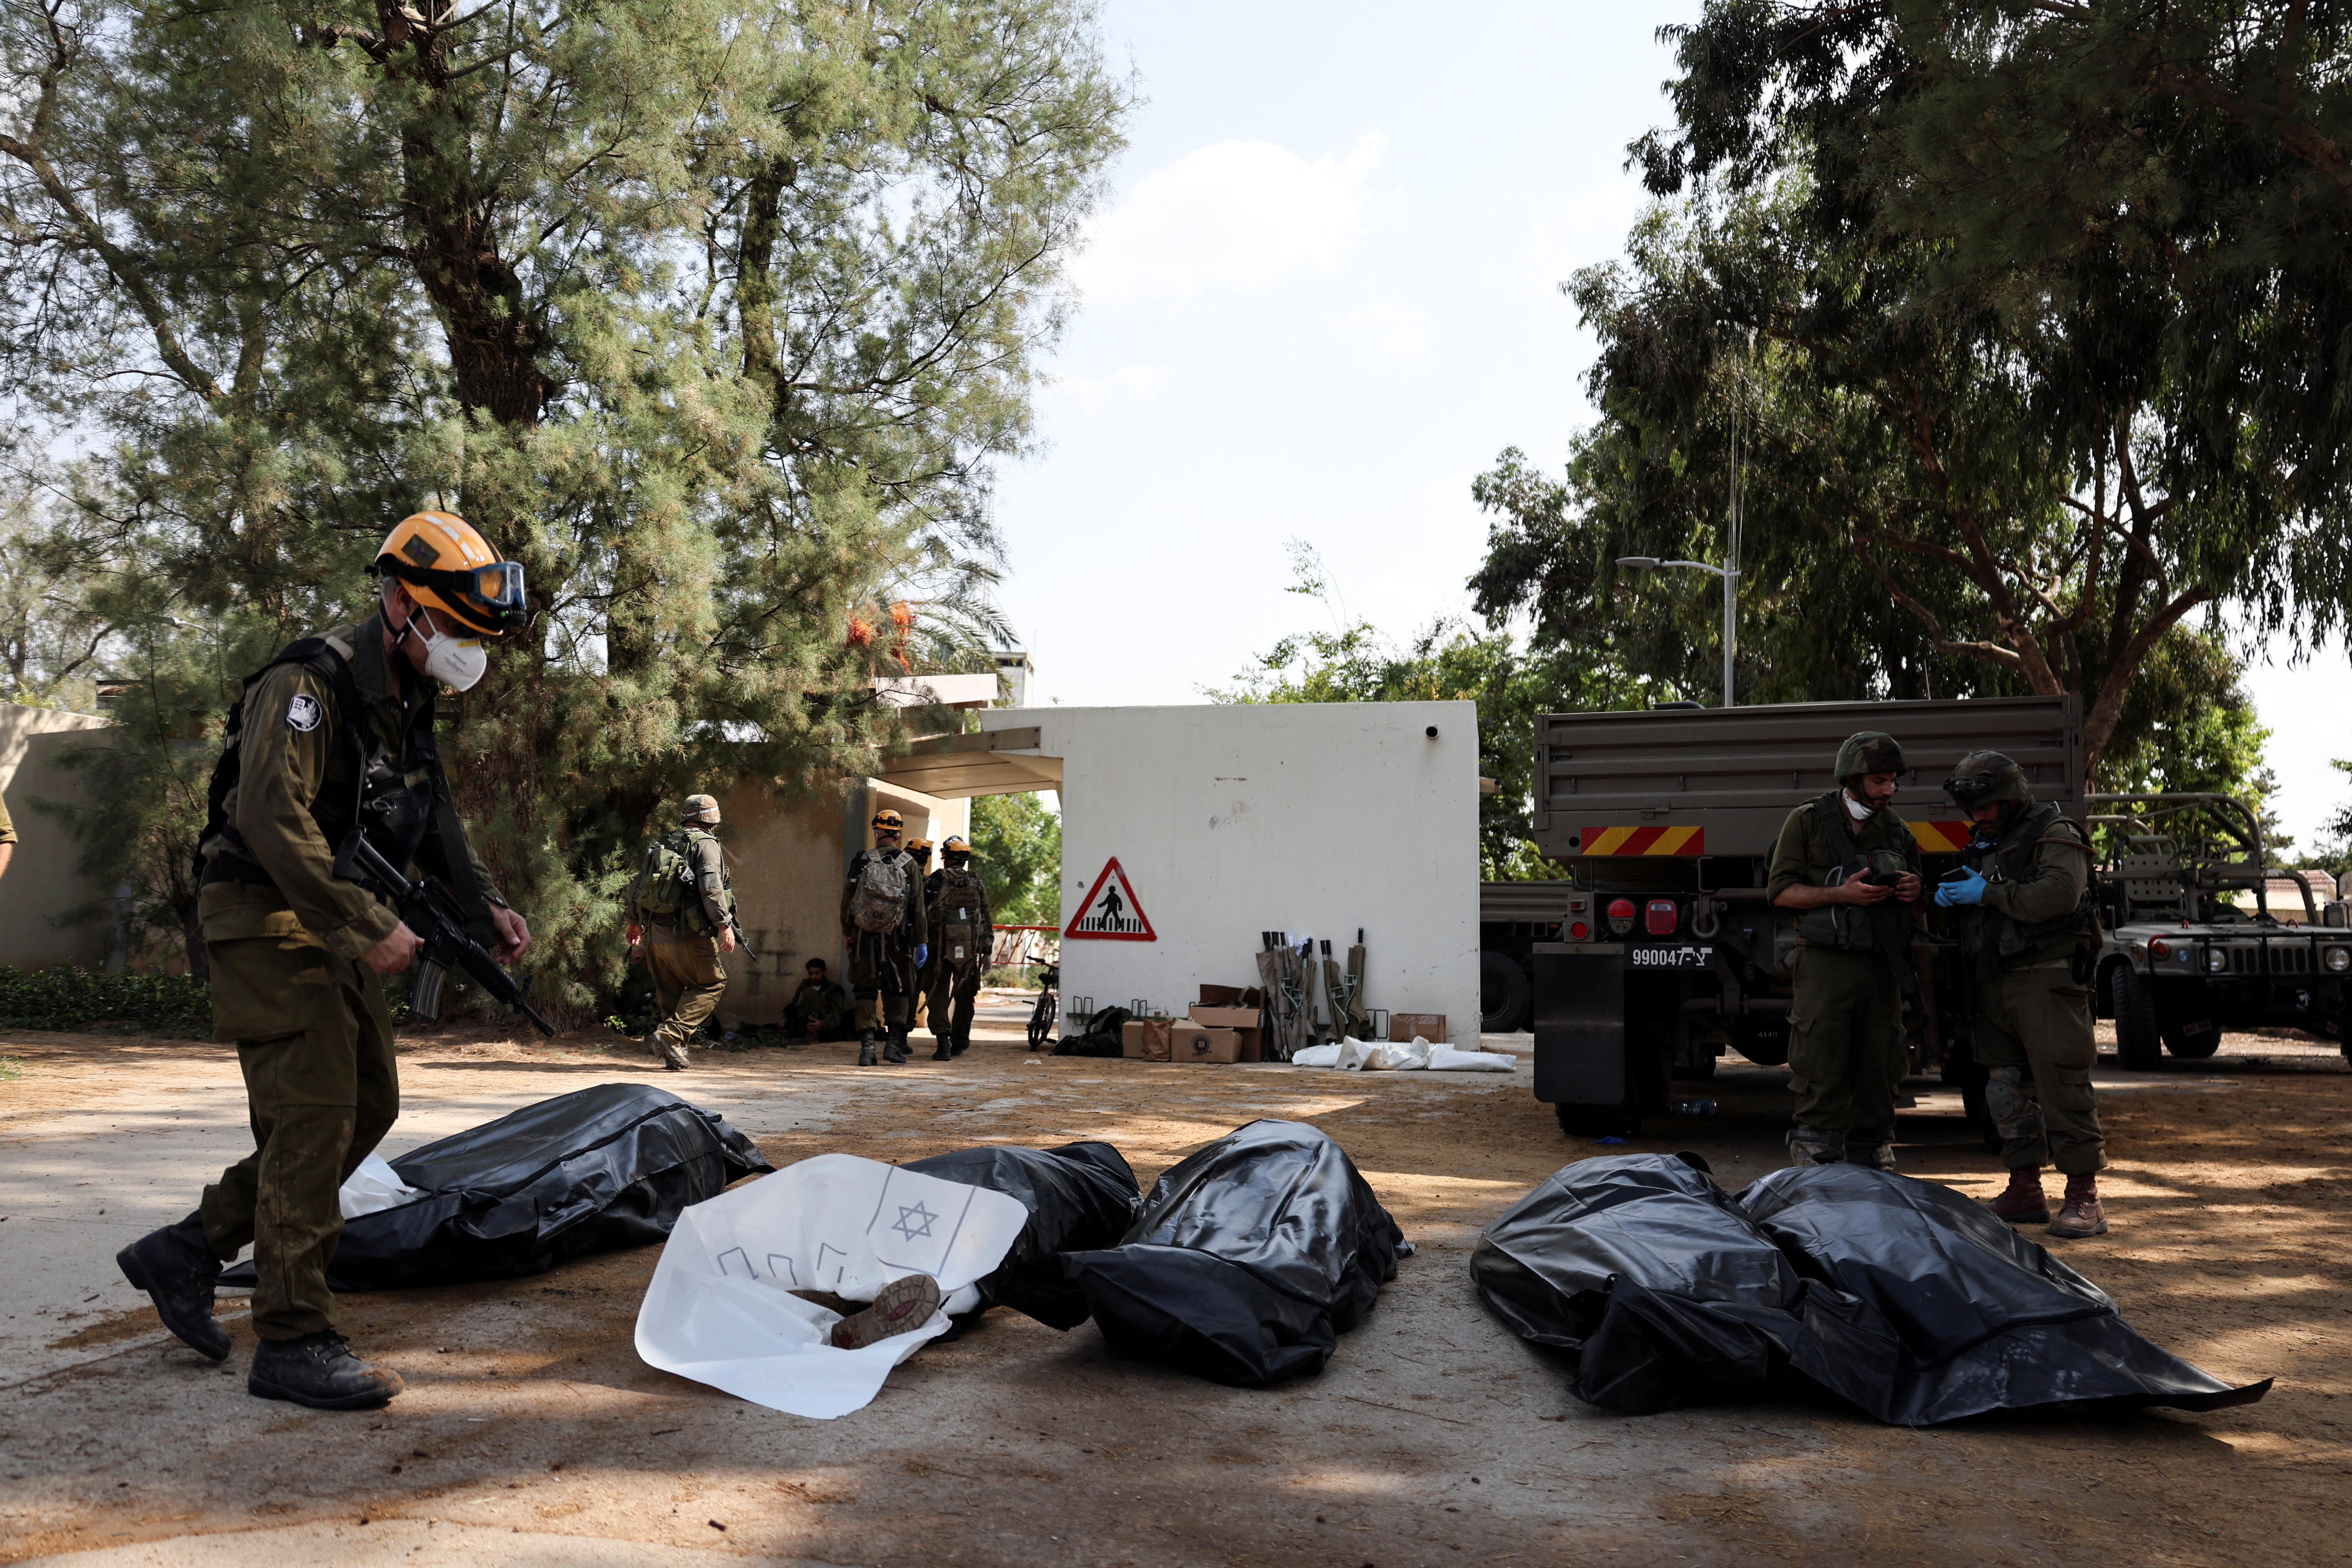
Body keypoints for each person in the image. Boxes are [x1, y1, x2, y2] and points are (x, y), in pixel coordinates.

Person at [114, 509, 531, 1412]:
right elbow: (270, 815)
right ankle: (293, 1337)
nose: (465, 649)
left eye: (473, 634)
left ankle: (186, 1250)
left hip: (323, 918)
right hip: (265, 916)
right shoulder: (310, 682)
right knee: (314, 1116)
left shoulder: (406, 702)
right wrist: (360, 922)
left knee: (368, 1105)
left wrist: (482, 902)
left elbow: (432, 824)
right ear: (398, 605)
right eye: (453, 628)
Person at [1936, 750, 2109, 1238]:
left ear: (2011, 797)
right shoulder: (1986, 841)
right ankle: (2024, 1190)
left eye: (1988, 806)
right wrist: (1951, 896)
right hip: (1994, 977)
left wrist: (1985, 894)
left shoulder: (2054, 833)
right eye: (1974, 809)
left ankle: (2083, 1198)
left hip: (2046, 977)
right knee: (2004, 1088)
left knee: (2061, 1084)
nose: (1979, 816)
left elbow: (2058, 894)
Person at [1766, 732, 1923, 1170]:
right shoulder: (1807, 822)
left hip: (1880, 965)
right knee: (1820, 1057)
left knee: (1882, 1060)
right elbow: (1779, 892)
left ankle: (1873, 1152)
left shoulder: (1897, 831)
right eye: (1879, 781)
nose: (1888, 790)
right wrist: (1841, 894)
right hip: (1824, 961)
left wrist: (1914, 888)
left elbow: (1919, 900)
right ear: (1853, 779)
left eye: (1893, 781)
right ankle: (1817, 1156)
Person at [624, 793, 737, 1070]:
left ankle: (673, 1053)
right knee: (711, 984)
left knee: (671, 996)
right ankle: (670, 1036)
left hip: (657, 935)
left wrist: (633, 921)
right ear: (712, 818)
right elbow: (712, 889)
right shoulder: (706, 844)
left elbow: (638, 885)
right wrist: (724, 924)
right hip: (690, 936)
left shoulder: (665, 841)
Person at [841, 808, 927, 1066]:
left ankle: (867, 1049)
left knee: (865, 989)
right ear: (898, 836)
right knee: (899, 989)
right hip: (898, 939)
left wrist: (848, 933)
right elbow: (918, 908)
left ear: (877, 833)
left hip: (864, 938)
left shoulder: (862, 859)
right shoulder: (910, 863)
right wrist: (921, 941)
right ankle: (893, 1046)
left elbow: (847, 901)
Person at [924, 835, 993, 1060]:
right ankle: (960, 1041)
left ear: (945, 857)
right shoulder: (976, 881)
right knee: (965, 995)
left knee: (937, 993)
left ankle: (943, 1041)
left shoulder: (934, 881)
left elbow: (921, 914)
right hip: (969, 948)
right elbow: (985, 917)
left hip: (937, 948)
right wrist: (987, 952)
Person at [783, 957, 848, 1043]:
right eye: (811, 974)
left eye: (817, 973)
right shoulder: (804, 986)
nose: (814, 977)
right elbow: (794, 1005)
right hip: (802, 1026)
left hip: (823, 1029)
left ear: (824, 973)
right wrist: (785, 1018)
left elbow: (836, 1015)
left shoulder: (833, 989)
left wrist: (821, 1024)